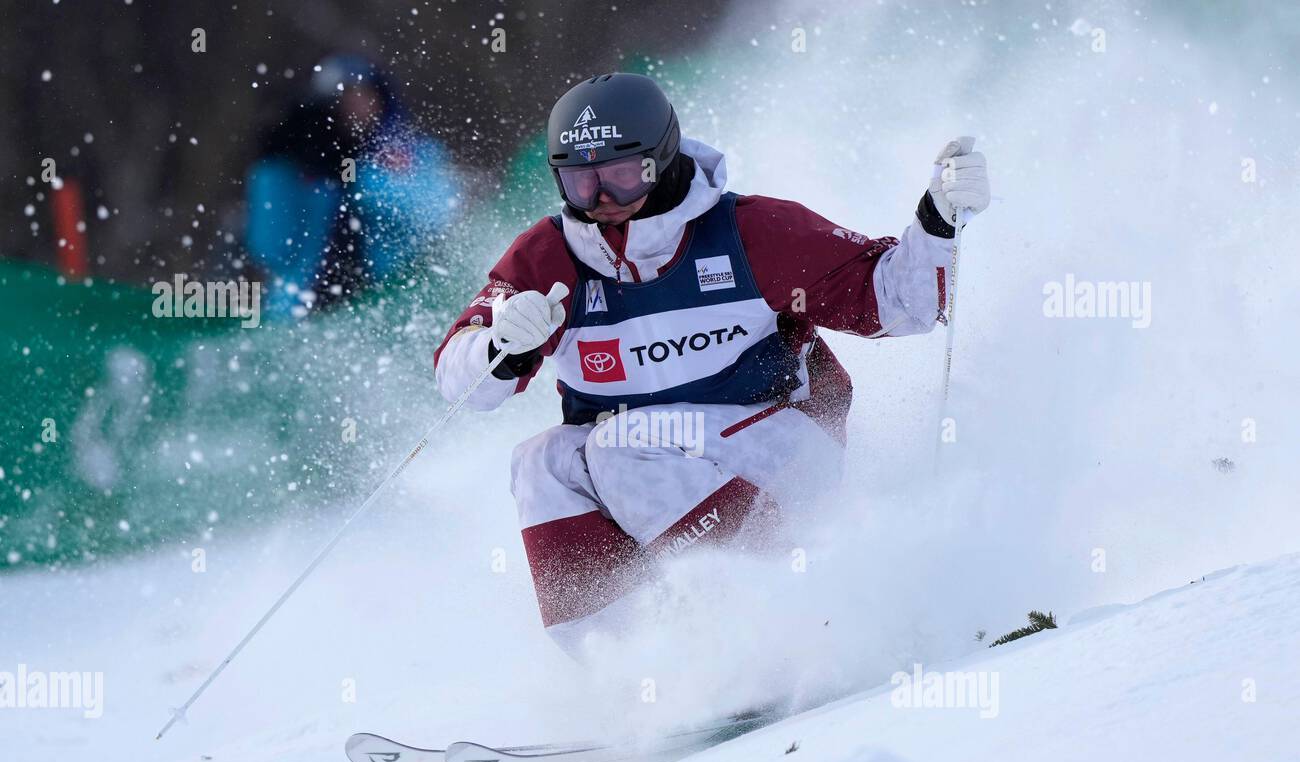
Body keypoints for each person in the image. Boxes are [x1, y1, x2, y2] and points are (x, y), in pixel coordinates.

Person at [433, 72, 989, 657]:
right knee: (539, 464)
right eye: (579, 182)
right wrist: (501, 345)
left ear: (661, 159)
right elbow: (461, 384)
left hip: (787, 450)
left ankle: (756, 624)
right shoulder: (549, 259)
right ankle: (629, 671)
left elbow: (905, 303)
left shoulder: (751, 233)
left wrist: (938, 220)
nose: (602, 202)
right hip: (655, 468)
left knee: (618, 445)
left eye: (621, 176)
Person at [245, 55, 460, 319]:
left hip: (389, 309)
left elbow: (438, 216)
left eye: (365, 96)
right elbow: (270, 250)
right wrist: (277, 173)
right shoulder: (294, 169)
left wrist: (361, 176)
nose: (356, 108)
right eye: (343, 99)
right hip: (299, 316)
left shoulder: (412, 155)